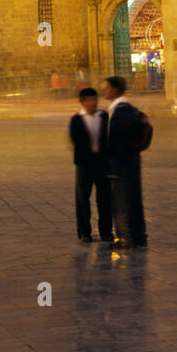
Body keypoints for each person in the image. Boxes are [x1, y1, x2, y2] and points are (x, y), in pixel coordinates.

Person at [102, 75, 147, 247]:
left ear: (114, 89)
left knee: (121, 200)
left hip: (121, 162)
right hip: (132, 160)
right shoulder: (127, 108)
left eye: (107, 87)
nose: (104, 90)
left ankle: (125, 237)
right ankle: (138, 236)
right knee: (134, 197)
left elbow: (116, 141)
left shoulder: (119, 111)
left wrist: (111, 163)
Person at [68, 88, 113, 243]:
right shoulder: (76, 119)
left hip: (102, 164)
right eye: (90, 100)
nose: (93, 103)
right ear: (82, 101)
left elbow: (109, 138)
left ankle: (106, 232)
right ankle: (84, 232)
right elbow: (76, 141)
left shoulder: (104, 116)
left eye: (95, 99)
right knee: (82, 199)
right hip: (84, 165)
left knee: (105, 199)